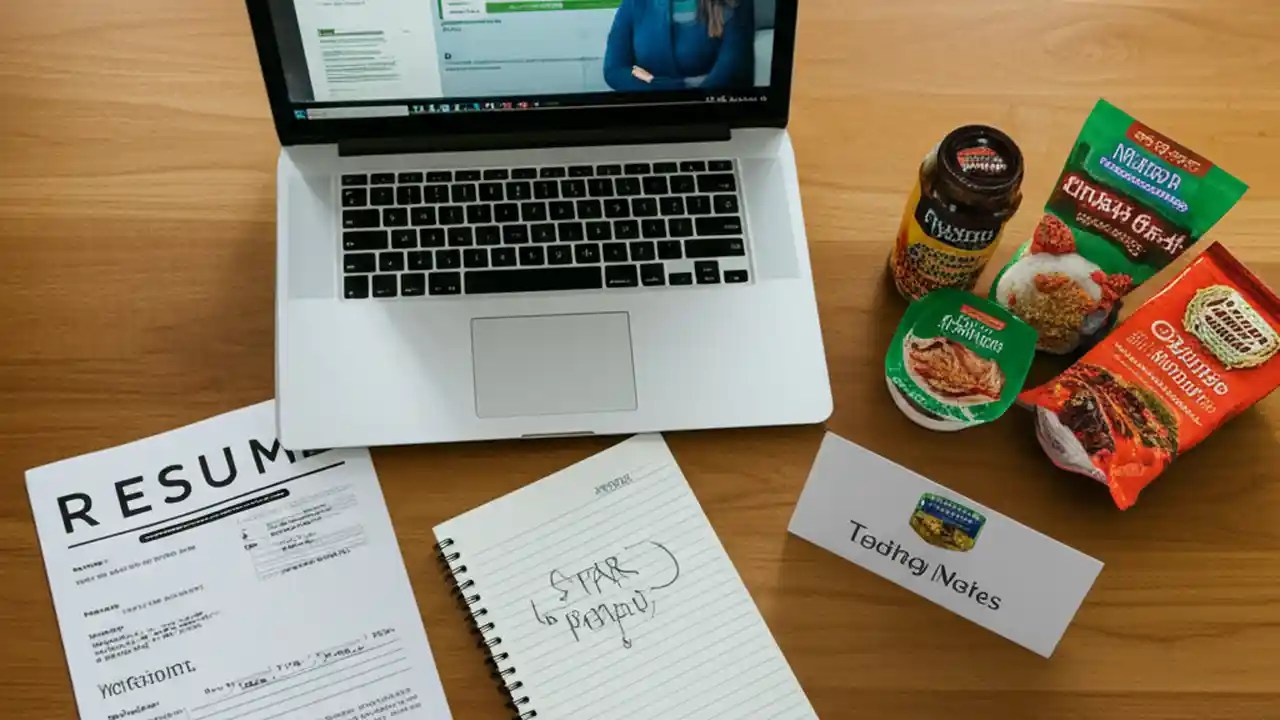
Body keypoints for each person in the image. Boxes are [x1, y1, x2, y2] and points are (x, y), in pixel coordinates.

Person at [603, 0, 754, 91]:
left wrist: (652, 82)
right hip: (649, 118)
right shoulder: (635, 3)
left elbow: (730, 74)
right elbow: (615, 70)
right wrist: (681, 85)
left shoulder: (733, 3)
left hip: (710, 117)